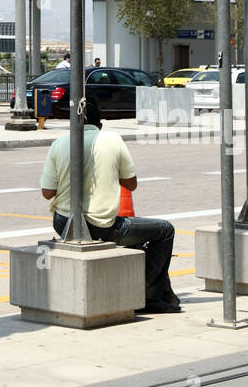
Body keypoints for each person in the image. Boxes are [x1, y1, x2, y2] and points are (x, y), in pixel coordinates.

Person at [40, 94, 181, 314]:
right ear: (100, 124)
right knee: (165, 231)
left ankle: (161, 292)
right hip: (102, 226)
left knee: (138, 239)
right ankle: (150, 294)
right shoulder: (113, 139)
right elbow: (131, 184)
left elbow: (47, 193)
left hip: (64, 223)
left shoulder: (58, 144)